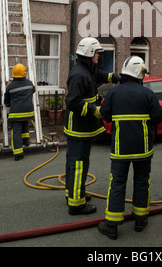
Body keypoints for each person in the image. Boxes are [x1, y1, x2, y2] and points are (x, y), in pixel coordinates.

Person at [98, 56, 162, 240]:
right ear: (139, 74)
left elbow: (105, 115)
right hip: (143, 149)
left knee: (117, 183)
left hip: (120, 149)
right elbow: (158, 116)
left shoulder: (113, 93)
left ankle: (111, 225)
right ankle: (140, 220)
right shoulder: (148, 94)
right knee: (142, 181)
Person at [64, 37, 121, 216]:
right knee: (79, 164)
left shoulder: (86, 69)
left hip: (82, 127)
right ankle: (76, 204)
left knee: (74, 163)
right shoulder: (78, 75)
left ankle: (73, 193)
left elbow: (98, 75)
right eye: (97, 53)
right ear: (89, 54)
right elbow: (72, 102)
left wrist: (114, 77)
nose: (98, 56)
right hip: (79, 128)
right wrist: (94, 110)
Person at [4, 63, 35, 161]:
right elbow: (33, 91)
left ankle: (18, 153)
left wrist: (8, 104)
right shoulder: (30, 83)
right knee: (25, 123)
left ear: (13, 74)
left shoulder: (10, 86)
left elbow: (6, 101)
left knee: (16, 132)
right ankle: (26, 141)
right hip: (29, 112)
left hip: (16, 113)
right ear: (24, 73)